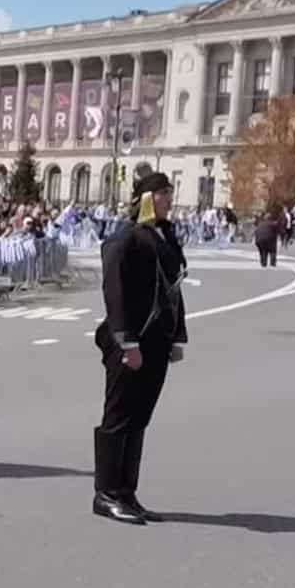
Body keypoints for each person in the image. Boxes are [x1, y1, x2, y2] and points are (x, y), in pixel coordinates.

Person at [93, 173, 187, 526]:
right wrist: (127, 342)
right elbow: (114, 292)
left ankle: (126, 492)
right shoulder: (125, 237)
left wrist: (177, 336)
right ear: (146, 198)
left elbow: (173, 290)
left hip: (157, 340)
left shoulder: (165, 235)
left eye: (169, 193)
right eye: (163, 193)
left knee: (139, 418)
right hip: (130, 340)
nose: (169, 199)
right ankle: (105, 493)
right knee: (118, 417)